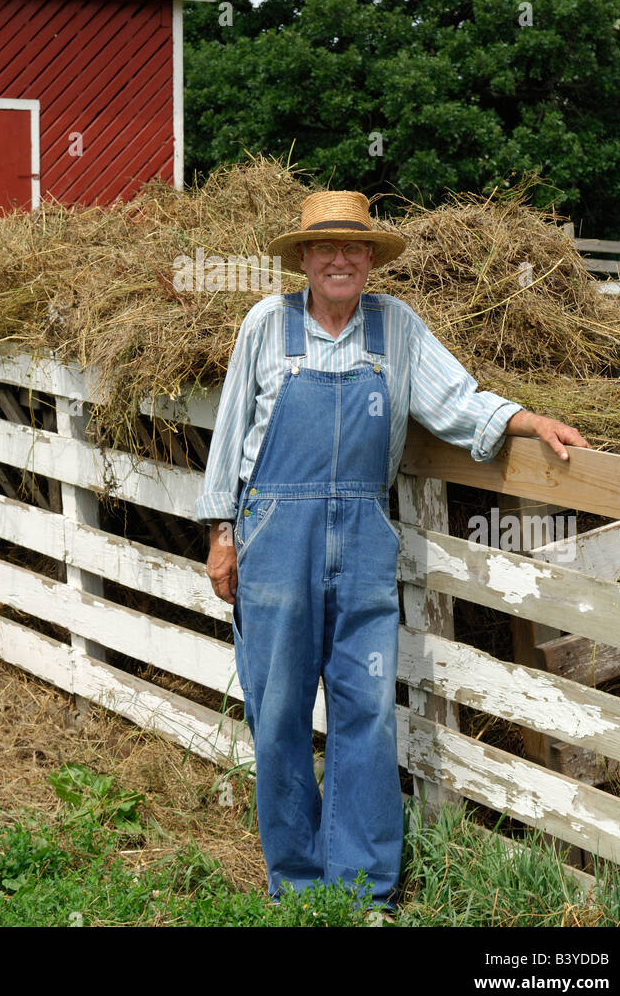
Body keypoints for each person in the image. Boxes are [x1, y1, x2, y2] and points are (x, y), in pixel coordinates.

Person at [195, 188, 589, 915]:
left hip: (365, 545)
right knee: (278, 711)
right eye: (325, 248)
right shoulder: (266, 325)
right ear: (305, 259)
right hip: (274, 542)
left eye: (353, 247)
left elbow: (461, 401)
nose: (340, 258)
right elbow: (228, 439)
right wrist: (222, 537)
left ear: (370, 258)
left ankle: (362, 886)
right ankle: (296, 882)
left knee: (365, 710)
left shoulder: (395, 329)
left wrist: (530, 421)